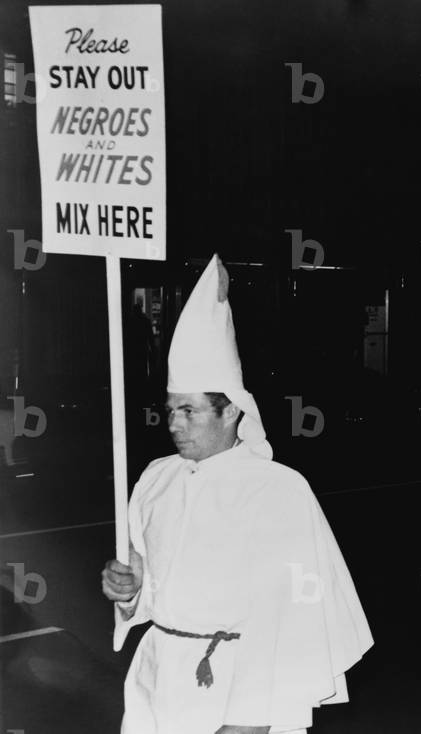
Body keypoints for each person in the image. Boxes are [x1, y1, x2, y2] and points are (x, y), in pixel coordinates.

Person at [100, 255, 372, 734]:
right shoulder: (155, 479)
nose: (173, 424)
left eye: (190, 411)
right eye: (170, 409)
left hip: (233, 688)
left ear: (231, 412)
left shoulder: (277, 491)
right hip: (155, 682)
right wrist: (129, 589)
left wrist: (250, 720)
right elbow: (145, 590)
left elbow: (291, 615)